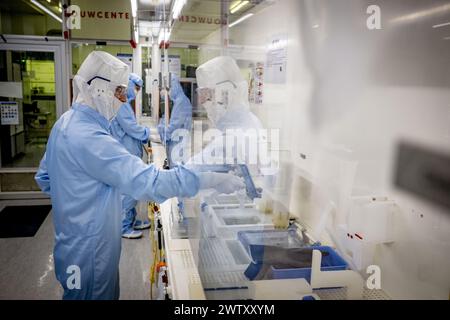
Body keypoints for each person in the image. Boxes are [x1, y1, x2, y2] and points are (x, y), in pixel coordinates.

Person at [35, 51, 244, 300]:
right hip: (91, 252)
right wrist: (210, 179)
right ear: (100, 89)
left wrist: (78, 203)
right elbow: (152, 184)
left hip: (71, 243)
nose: (124, 100)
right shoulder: (91, 139)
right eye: (120, 92)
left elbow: (45, 178)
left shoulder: (65, 124)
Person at [110, 73, 151, 239]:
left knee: (131, 189)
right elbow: (131, 127)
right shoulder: (121, 104)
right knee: (128, 190)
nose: (137, 91)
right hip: (125, 152)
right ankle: (124, 227)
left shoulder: (124, 103)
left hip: (128, 150)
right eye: (136, 87)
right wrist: (147, 133)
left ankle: (131, 220)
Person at [157, 74, 192, 167]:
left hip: (178, 142)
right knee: (174, 167)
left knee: (177, 168)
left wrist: (164, 134)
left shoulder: (182, 101)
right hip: (174, 142)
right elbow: (167, 119)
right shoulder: (176, 101)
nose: (167, 92)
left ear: (175, 86)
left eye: (168, 89)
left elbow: (175, 125)